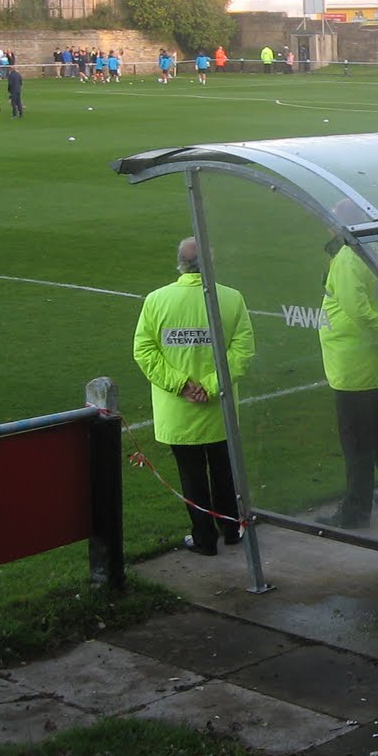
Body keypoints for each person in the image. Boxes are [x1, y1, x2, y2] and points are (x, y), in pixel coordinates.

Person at [134, 237, 254, 555]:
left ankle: (203, 538)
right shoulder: (231, 298)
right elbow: (242, 352)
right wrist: (212, 386)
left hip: (179, 412)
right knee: (224, 471)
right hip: (219, 410)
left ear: (180, 263)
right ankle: (231, 529)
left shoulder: (157, 300)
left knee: (192, 476)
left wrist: (182, 385)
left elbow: (144, 351)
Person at [318, 199, 378, 528]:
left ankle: (355, 511)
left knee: (357, 442)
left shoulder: (347, 258)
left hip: (354, 366)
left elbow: (358, 310)